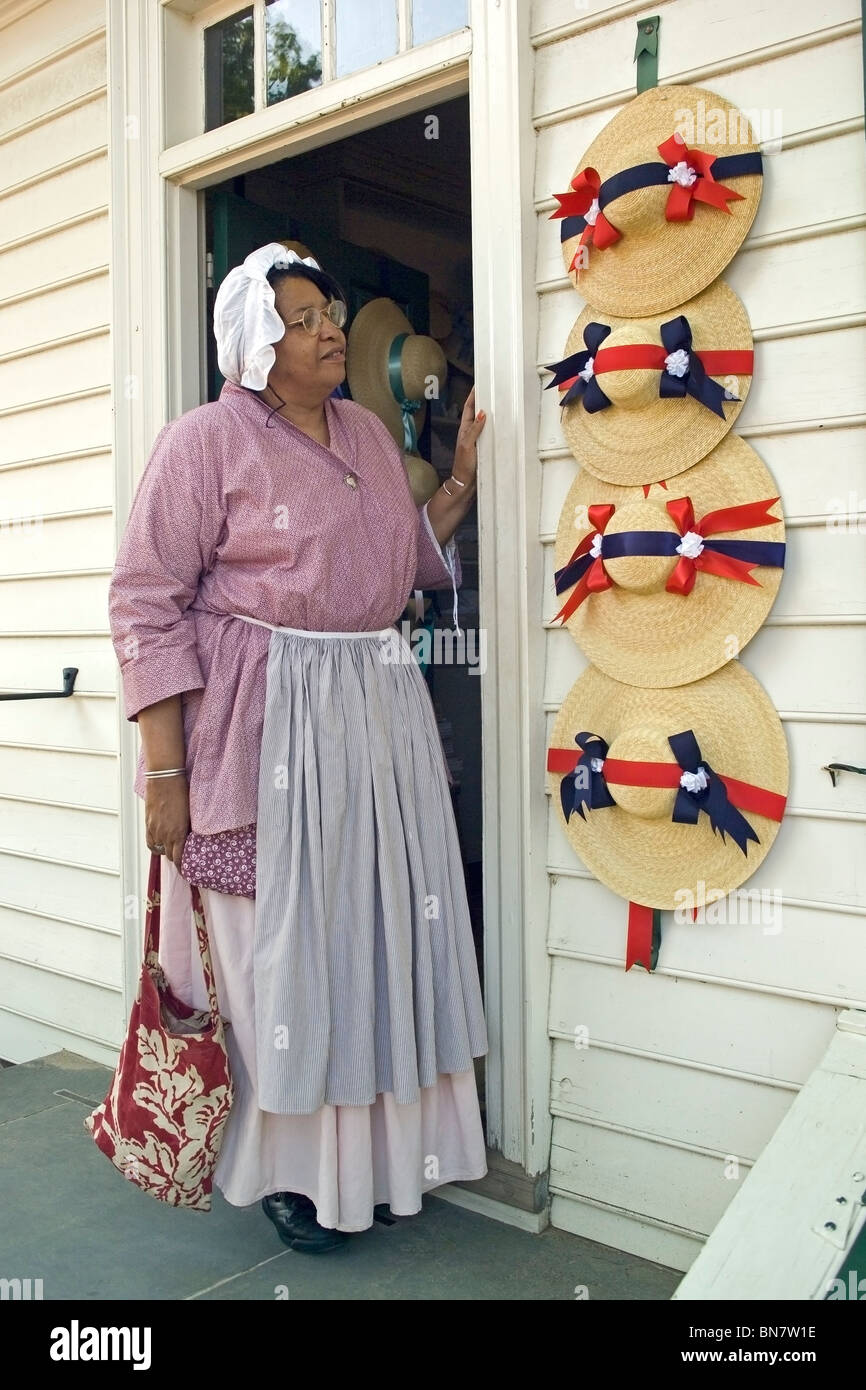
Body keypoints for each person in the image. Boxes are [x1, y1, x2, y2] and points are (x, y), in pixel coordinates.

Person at [107, 243, 489, 1254]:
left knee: (373, 937)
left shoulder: (365, 432)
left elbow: (404, 559)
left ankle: (376, 1163)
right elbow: (145, 604)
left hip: (374, 712)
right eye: (308, 317)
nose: (331, 330)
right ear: (257, 343)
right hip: (262, 722)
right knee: (284, 959)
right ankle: (288, 1175)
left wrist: (454, 483)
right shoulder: (201, 444)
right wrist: (164, 769)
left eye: (331, 312)